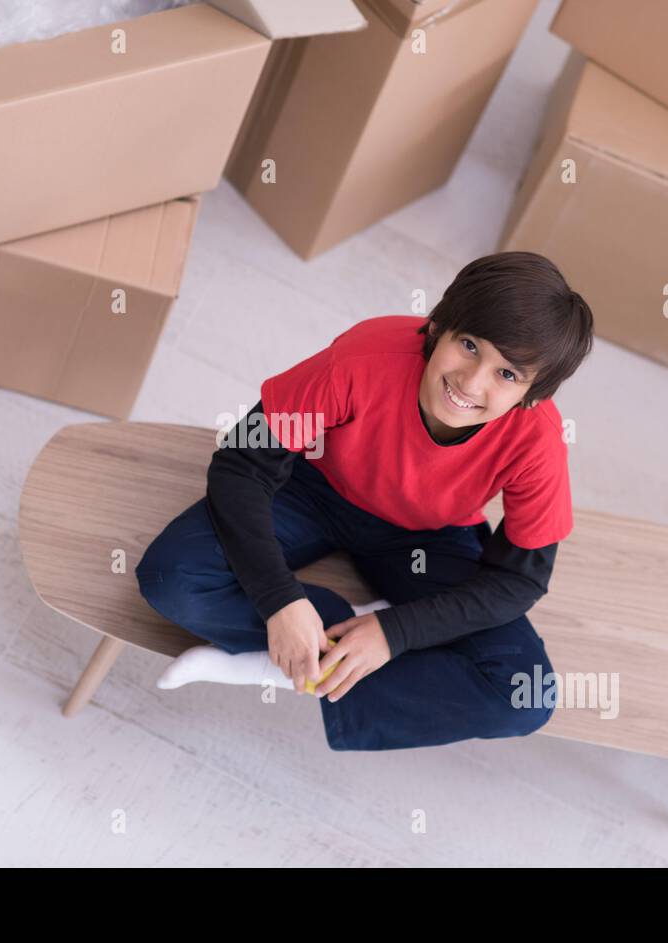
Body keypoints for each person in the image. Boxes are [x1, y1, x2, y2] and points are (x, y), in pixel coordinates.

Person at [136, 251, 594, 751]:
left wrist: (394, 631)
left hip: (428, 536)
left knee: (526, 695)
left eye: (508, 375)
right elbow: (244, 460)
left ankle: (293, 660)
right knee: (170, 578)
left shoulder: (539, 439)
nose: (471, 382)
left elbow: (519, 579)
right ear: (438, 325)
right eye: (468, 345)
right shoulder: (364, 357)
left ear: (532, 394)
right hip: (311, 489)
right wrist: (281, 601)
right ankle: (309, 639)